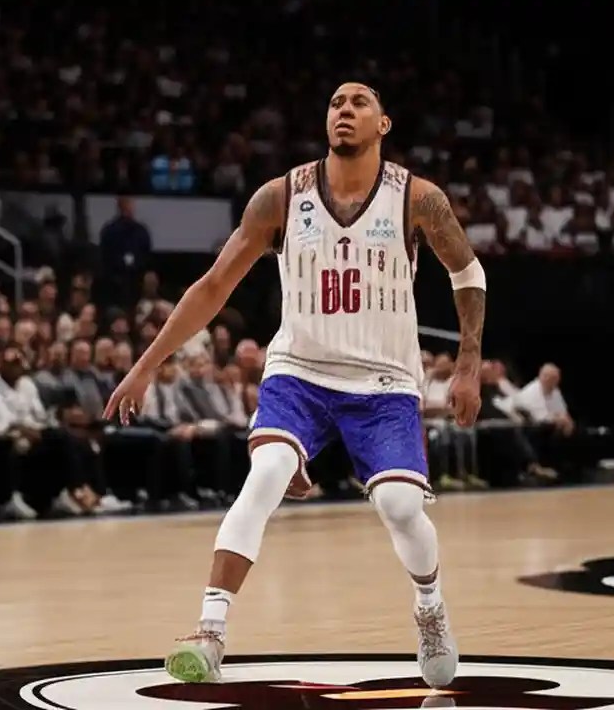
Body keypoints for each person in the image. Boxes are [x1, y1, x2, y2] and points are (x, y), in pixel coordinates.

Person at [104, 82, 486, 688]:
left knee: (399, 505)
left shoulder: (418, 197)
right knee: (265, 475)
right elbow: (211, 286)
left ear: (383, 123)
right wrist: (148, 362)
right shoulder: (281, 197)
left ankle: (430, 608)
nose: (344, 110)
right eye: (335, 102)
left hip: (384, 381)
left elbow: (467, 270)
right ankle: (209, 632)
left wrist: (467, 362)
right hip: (300, 373)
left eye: (359, 103)